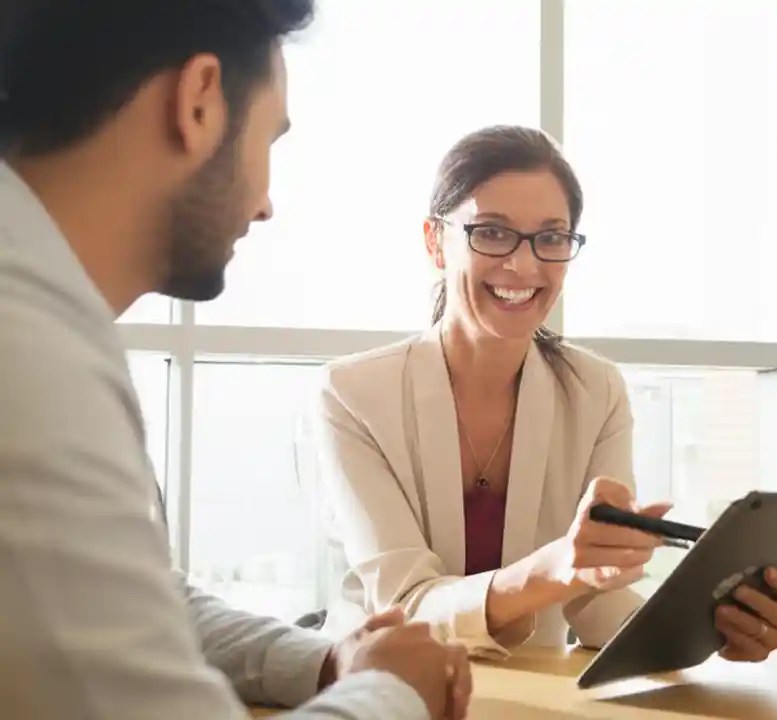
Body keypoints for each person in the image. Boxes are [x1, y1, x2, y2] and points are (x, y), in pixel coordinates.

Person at [0, 2, 470, 718]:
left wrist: (330, 661)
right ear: (198, 101)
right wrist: (397, 693)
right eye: (269, 138)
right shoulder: (30, 356)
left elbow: (133, 599)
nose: (265, 203)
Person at [315, 125, 777, 661]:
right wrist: (555, 568)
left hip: (532, 694)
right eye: (491, 232)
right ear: (435, 242)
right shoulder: (354, 394)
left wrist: (712, 627)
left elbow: (597, 600)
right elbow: (406, 607)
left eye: (550, 238)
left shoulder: (596, 391)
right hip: (380, 687)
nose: (523, 265)